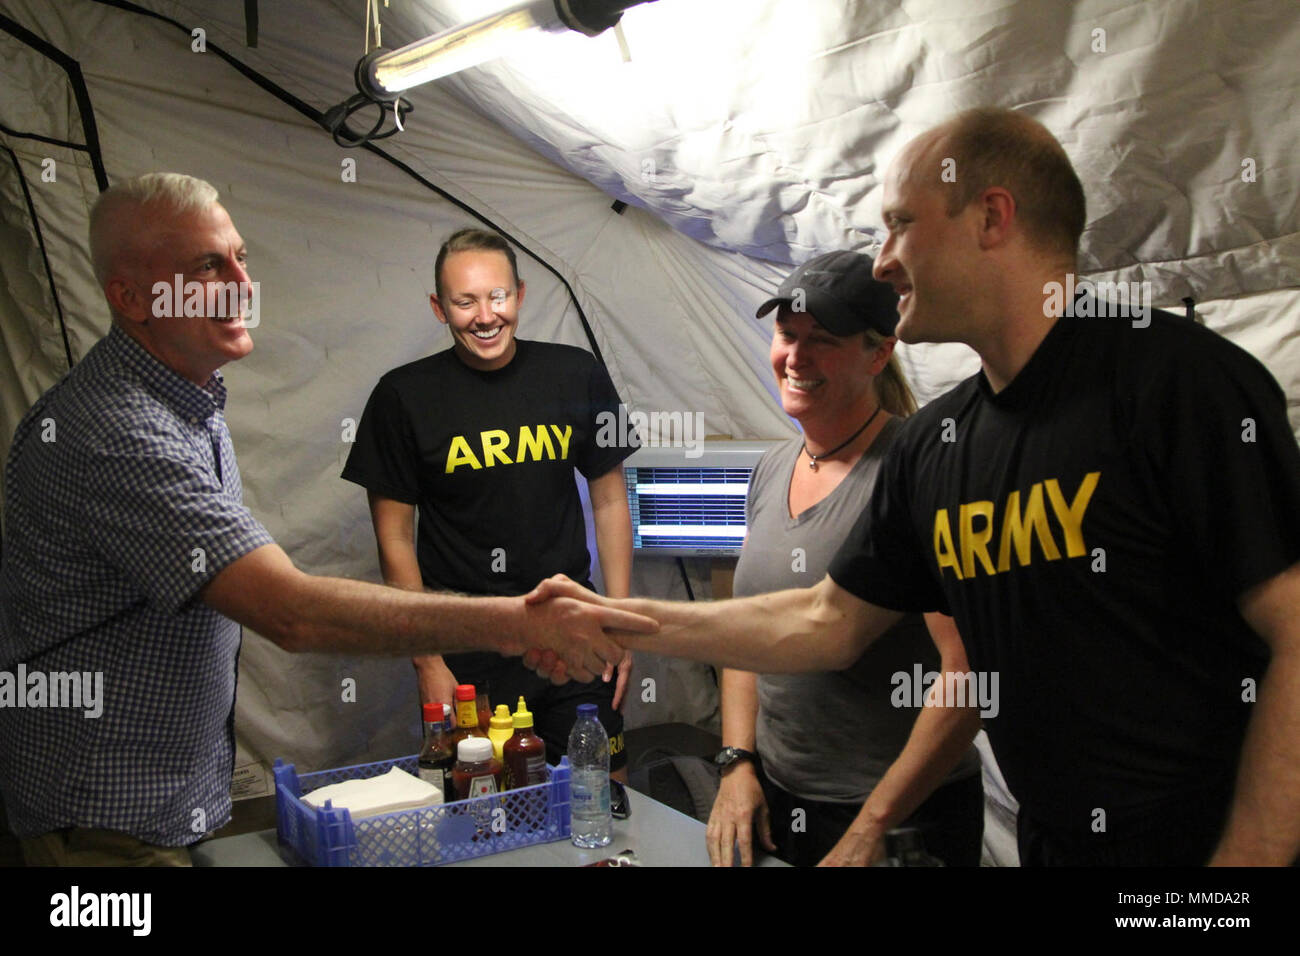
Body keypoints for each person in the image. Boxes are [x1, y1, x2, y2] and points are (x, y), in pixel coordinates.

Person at [527, 108, 1300, 866]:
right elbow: (824, 621)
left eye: (900, 225)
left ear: (991, 217)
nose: (886, 261)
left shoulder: (1172, 382)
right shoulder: (941, 446)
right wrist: (619, 619)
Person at [0, 175, 649, 866]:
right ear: (130, 297)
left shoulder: (190, 409)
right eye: (206, 267)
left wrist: (596, 611)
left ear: (519, 297)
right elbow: (292, 612)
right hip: (103, 820)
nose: (242, 284)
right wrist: (518, 624)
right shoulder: (118, 432)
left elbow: (608, 493)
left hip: (158, 803)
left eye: (241, 257)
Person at [707, 250, 983, 867]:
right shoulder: (772, 468)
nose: (796, 358)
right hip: (781, 800)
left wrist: (871, 829)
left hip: (899, 818)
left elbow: (967, 675)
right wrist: (737, 762)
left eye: (823, 341)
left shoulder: (916, 471)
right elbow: (746, 636)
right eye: (787, 335)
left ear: (878, 353)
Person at [342, 228, 637, 781]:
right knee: (486, 815)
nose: (486, 316)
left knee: (603, 799)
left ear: (519, 296)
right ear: (439, 307)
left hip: (572, 634)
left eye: (497, 297)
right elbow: (394, 539)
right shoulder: (400, 397)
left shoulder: (577, 373)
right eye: (465, 301)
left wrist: (618, 620)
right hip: (465, 651)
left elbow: (611, 502)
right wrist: (428, 661)